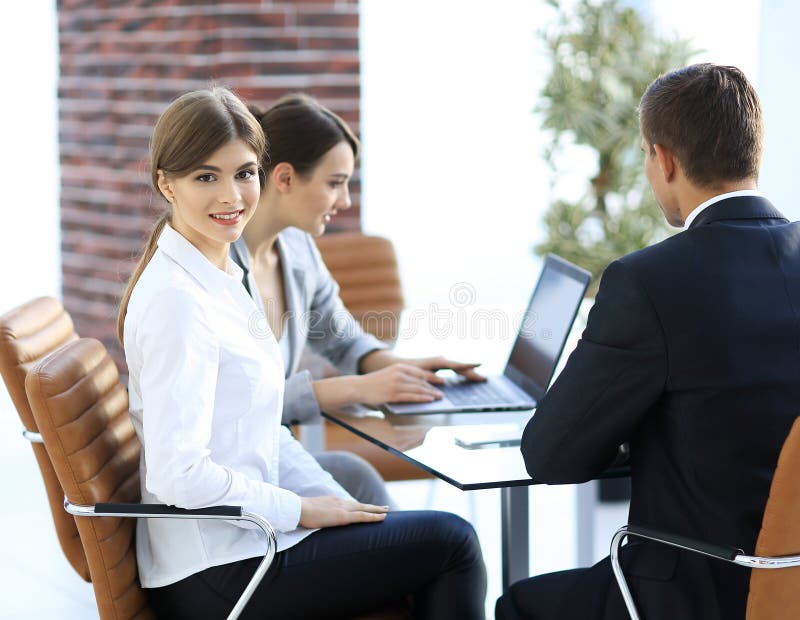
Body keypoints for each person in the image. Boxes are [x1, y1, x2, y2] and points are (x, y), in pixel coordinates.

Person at [118, 86, 487, 620]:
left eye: (244, 173)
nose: (232, 195)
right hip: (221, 571)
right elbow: (179, 476)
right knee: (453, 543)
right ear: (165, 184)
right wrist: (302, 509)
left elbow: (264, 429)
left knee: (412, 538)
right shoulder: (178, 301)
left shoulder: (217, 274)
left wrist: (337, 506)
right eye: (206, 177)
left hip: (244, 542)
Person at [496, 63, 800, 620]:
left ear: (663, 159)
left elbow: (550, 455)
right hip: (791, 590)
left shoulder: (650, 280)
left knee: (519, 603)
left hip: (692, 592)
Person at [230, 92, 485, 504]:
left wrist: (403, 370)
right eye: (335, 184)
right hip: (240, 480)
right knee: (443, 540)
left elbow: (340, 337)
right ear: (285, 178)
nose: (345, 201)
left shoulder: (295, 247)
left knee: (372, 491)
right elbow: (242, 405)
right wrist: (359, 389)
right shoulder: (219, 266)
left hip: (277, 459)